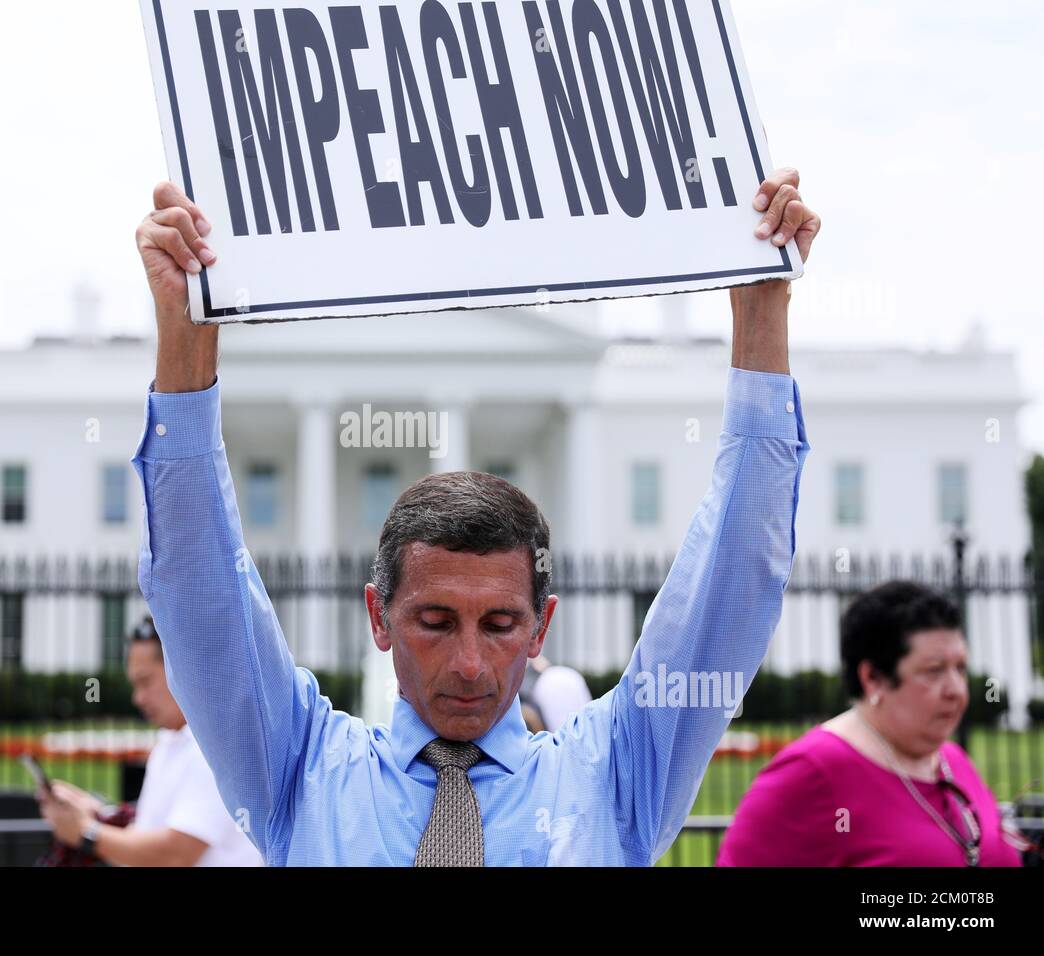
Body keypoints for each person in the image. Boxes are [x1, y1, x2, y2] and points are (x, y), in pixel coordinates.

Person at [130, 168, 818, 865]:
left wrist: (761, 311)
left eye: (500, 625)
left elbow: (732, 584)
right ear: (378, 616)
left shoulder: (613, 775)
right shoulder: (298, 769)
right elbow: (198, 587)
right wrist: (185, 339)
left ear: (541, 626)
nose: (468, 664)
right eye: (433, 622)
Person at [716, 581, 1025, 867]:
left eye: (960, 668)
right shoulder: (812, 771)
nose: (956, 689)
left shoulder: (953, 760)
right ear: (873, 678)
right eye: (934, 671)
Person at [38, 618, 262, 867]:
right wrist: (97, 813)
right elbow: (148, 832)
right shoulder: (171, 740)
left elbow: (175, 855)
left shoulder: (213, 748)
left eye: (144, 681)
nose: (137, 698)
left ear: (180, 669)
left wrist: (87, 832)